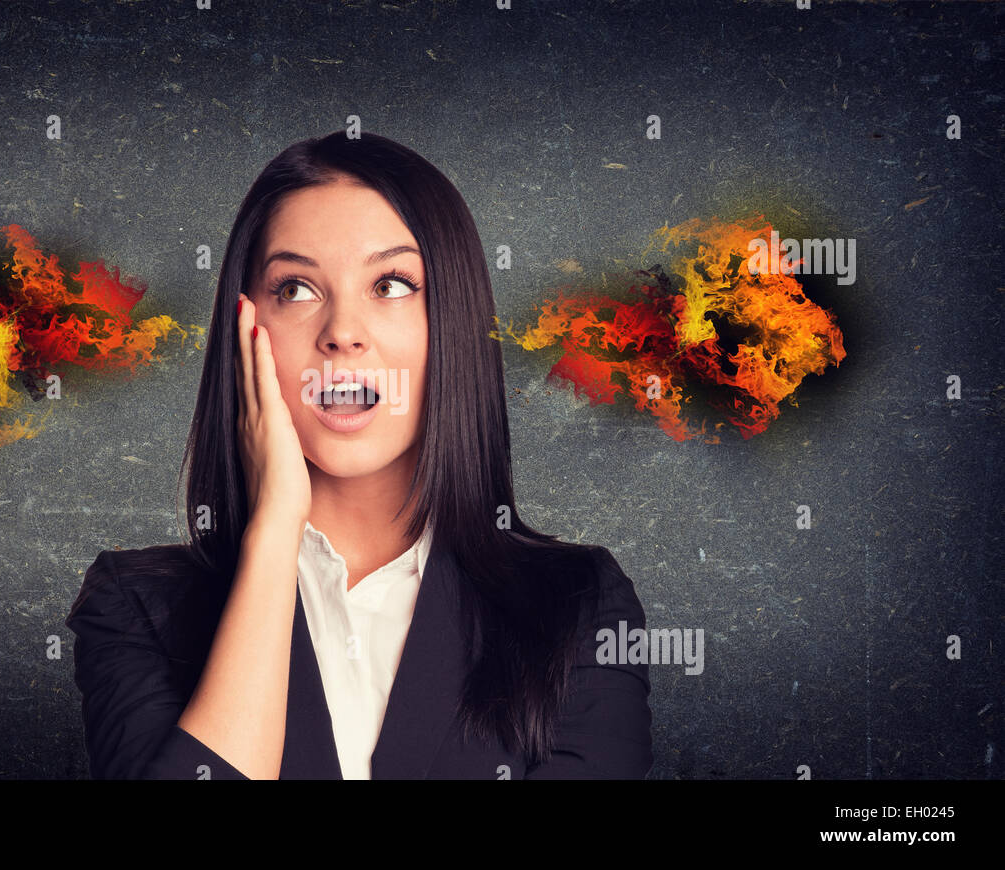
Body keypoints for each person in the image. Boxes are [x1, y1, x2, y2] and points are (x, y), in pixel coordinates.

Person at [66, 130, 653, 779]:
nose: (342, 333)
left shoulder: (577, 605)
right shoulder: (137, 607)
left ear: (452, 318)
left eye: (392, 283)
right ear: (245, 330)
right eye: (295, 289)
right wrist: (275, 528)